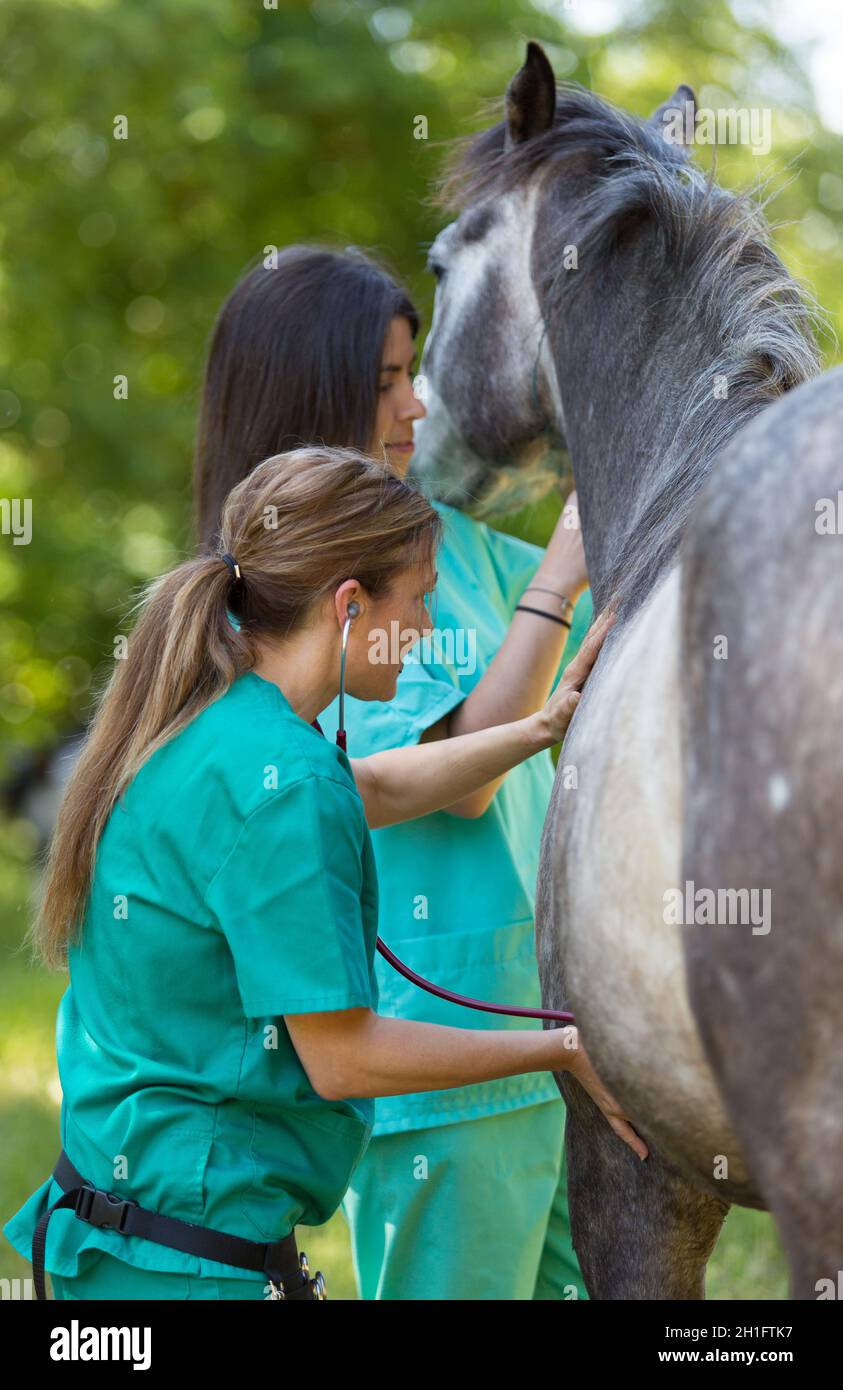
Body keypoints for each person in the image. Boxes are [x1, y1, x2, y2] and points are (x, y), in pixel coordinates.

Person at [2, 447, 642, 1302]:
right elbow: (343, 1059)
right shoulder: (286, 784)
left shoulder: (208, 720)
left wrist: (538, 727)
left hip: (112, 1241)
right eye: (416, 599)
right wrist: (562, 1048)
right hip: (190, 1265)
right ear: (349, 606)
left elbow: (363, 786)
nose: (424, 629)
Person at [193, 246, 599, 1300]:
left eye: (411, 372)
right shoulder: (313, 599)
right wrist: (559, 575)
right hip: (444, 1049)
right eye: (384, 381)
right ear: (305, 388)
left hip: (544, 1027)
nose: (418, 406)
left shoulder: (457, 546)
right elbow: (446, 775)